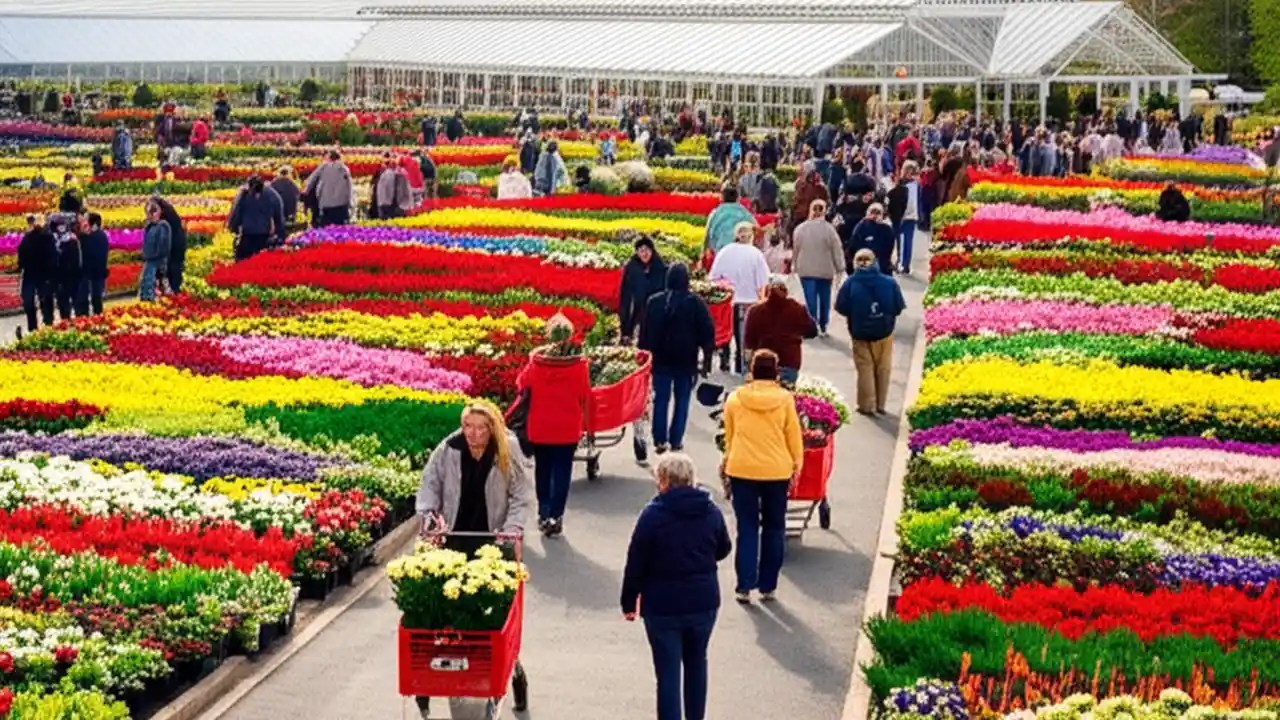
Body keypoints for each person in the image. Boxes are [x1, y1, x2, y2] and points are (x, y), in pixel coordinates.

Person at [414, 399, 533, 719]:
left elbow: (521, 495)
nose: (474, 434)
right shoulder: (449, 448)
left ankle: (509, 670)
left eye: (481, 428)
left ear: (492, 427)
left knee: (493, 615)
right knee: (450, 611)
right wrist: (429, 517)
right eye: (469, 426)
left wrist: (511, 531)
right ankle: (447, 674)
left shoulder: (507, 449)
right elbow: (429, 486)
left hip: (492, 542)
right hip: (453, 540)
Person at [621, 453, 732, 720]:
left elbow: (636, 561)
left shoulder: (652, 515)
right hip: (703, 602)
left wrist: (629, 602)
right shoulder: (711, 511)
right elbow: (724, 548)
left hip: (663, 605)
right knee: (697, 664)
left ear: (663, 481)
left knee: (668, 674)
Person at [719, 350, 803, 604]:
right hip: (777, 470)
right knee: (774, 527)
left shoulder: (735, 399)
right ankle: (768, 585)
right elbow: (793, 437)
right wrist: (796, 467)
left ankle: (744, 584)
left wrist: (727, 462)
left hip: (742, 469)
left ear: (752, 370)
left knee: (747, 527)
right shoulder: (785, 400)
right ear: (776, 372)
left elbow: (729, 437)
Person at [515, 316, 592, 537]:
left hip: (540, 427)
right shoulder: (579, 366)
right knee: (562, 472)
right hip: (567, 428)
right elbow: (584, 396)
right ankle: (556, 516)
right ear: (569, 336)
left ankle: (543, 512)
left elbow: (521, 384)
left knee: (543, 469)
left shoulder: (536, 362)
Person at [639, 264, 716, 454]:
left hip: (660, 362)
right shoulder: (695, 303)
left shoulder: (654, 302)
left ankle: (659, 439)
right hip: (686, 361)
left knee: (661, 399)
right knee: (682, 401)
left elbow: (644, 333)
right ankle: (676, 440)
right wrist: (705, 361)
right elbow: (707, 333)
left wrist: (642, 358)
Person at [835, 249, 906, 416]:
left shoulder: (850, 283)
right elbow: (898, 307)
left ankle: (867, 405)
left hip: (860, 332)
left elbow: (841, 307)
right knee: (883, 368)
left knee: (865, 368)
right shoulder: (889, 283)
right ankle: (881, 403)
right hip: (884, 331)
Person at [709, 222, 770, 375]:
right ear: (751, 236)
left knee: (726, 331)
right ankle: (742, 364)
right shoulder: (756, 254)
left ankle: (725, 359)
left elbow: (713, 277)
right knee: (744, 336)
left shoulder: (725, 251)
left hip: (727, 300)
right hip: (749, 301)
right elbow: (763, 281)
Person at [743, 276, 817, 386]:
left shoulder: (755, 311)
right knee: (785, 399)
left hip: (762, 365)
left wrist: (748, 366)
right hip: (790, 363)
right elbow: (812, 331)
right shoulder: (797, 308)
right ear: (786, 291)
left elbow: (748, 342)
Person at [790, 199, 844, 337]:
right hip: (825, 270)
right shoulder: (829, 229)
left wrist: (794, 264)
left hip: (806, 269)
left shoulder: (800, 229)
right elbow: (836, 249)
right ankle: (823, 324)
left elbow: (796, 248)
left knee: (810, 298)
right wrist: (840, 267)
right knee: (825, 298)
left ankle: (811, 323)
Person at [619, 234, 668, 344]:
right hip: (638, 309)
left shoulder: (660, 266)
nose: (644, 254)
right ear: (637, 252)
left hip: (656, 310)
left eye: (647, 250)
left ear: (652, 251)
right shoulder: (631, 267)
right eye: (641, 251)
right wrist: (625, 330)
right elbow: (625, 297)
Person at [228, 175, 285, 261]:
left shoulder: (244, 194)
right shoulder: (272, 194)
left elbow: (236, 215)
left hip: (253, 234)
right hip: (259, 234)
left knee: (245, 261)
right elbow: (279, 216)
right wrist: (279, 233)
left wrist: (234, 229)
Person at [16, 215, 56, 336]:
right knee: (28, 300)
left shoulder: (47, 237)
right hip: (30, 274)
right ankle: (33, 327)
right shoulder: (27, 237)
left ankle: (48, 324)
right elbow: (21, 253)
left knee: (45, 299)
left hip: (43, 274)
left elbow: (52, 256)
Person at [303, 150, 355, 227]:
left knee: (326, 227)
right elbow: (350, 186)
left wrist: (306, 191)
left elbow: (312, 178)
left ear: (329, 158)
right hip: (341, 204)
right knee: (340, 228)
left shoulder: (324, 166)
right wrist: (351, 203)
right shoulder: (344, 169)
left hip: (326, 203)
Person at [886, 162, 920, 274]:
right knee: (904, 241)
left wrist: (903, 216)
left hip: (906, 217)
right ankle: (903, 263)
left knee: (904, 242)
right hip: (907, 216)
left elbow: (910, 204)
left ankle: (903, 264)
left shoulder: (910, 186)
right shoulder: (912, 185)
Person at [704, 186, 755, 258]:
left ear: (722, 198)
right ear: (737, 198)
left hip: (721, 251)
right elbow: (756, 228)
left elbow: (707, 235)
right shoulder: (743, 212)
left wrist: (703, 253)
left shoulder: (715, 213)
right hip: (741, 251)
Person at [151, 196, 187, 294]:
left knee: (174, 266)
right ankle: (175, 289)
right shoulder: (169, 211)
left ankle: (175, 290)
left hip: (175, 243)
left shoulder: (165, 215)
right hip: (178, 241)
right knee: (174, 266)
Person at [848, 203, 896, 275]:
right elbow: (853, 246)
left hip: (877, 267)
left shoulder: (887, 229)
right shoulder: (861, 227)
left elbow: (888, 249)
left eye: (877, 213)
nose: (874, 216)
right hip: (867, 267)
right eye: (873, 212)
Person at [50, 215, 82, 321]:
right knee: (62, 302)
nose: (61, 227)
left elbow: (77, 259)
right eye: (59, 225)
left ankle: (79, 320)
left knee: (75, 300)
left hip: (71, 276)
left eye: (63, 225)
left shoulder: (72, 239)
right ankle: (65, 321)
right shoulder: (53, 241)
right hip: (58, 277)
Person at [77, 212, 109, 316]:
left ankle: (88, 317)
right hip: (98, 272)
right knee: (96, 298)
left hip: (91, 272)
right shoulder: (102, 235)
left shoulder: (94, 237)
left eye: (87, 221)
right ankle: (97, 315)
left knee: (89, 297)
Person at [140, 202, 171, 302]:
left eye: (149, 214)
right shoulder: (150, 226)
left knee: (151, 281)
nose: (147, 217)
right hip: (149, 258)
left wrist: (156, 257)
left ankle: (150, 299)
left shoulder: (163, 226)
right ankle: (146, 299)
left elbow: (163, 245)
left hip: (156, 260)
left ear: (155, 213)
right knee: (145, 281)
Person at [373, 153, 412, 219]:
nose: (393, 160)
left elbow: (406, 192)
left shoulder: (401, 173)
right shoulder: (384, 174)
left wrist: (403, 206)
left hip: (397, 206)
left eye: (395, 158)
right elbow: (380, 191)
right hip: (386, 205)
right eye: (392, 158)